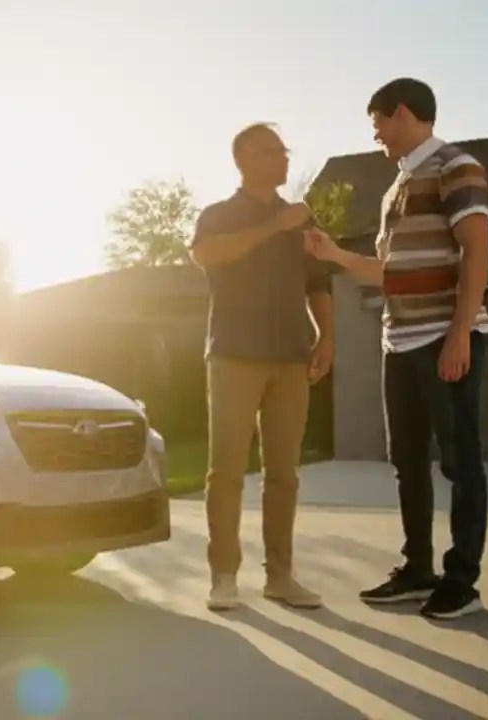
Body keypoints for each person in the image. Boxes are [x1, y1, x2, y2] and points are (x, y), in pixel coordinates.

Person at [305, 78, 488, 620]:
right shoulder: (396, 188)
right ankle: (417, 570)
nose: (377, 137)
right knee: (407, 461)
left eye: (379, 124)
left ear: (403, 114)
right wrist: (335, 254)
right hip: (400, 341)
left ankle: (462, 582)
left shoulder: (457, 167)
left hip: (444, 338)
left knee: (460, 462)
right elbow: (386, 272)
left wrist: (460, 332)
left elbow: (477, 249)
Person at [188, 123, 333, 611]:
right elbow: (207, 255)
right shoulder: (218, 216)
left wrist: (327, 336)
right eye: (273, 151)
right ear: (244, 160)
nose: (284, 158)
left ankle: (281, 576)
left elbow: (318, 283)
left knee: (284, 474)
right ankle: (223, 577)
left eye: (284, 151)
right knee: (227, 471)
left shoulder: (302, 221)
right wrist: (275, 226)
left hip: (291, 358)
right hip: (233, 355)